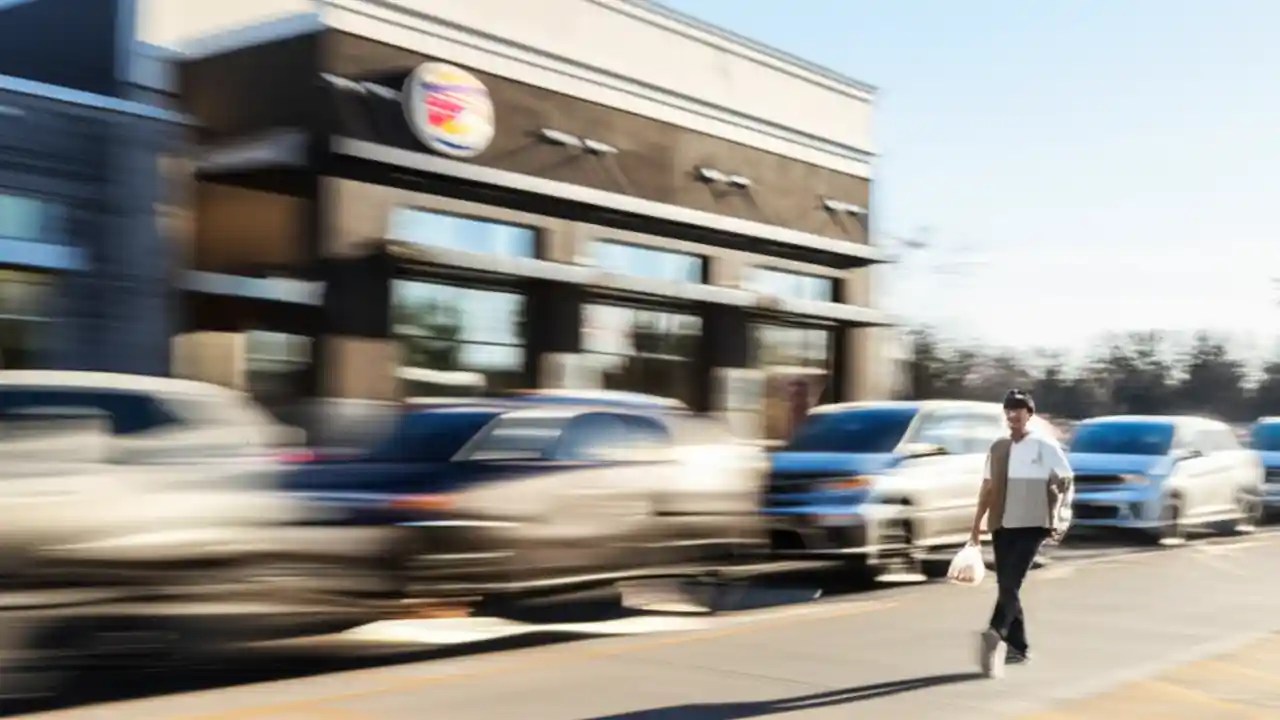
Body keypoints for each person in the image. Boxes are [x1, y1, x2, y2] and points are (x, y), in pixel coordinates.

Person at [967, 388, 1074, 678]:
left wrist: (1062, 518)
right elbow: (987, 487)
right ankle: (1019, 645)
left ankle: (995, 632)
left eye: (1019, 410)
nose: (1013, 415)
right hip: (1002, 524)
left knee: (1011, 582)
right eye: (1009, 410)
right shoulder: (998, 447)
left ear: (1029, 413)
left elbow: (1065, 480)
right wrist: (976, 526)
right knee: (1006, 584)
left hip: (1034, 523)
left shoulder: (1043, 445)